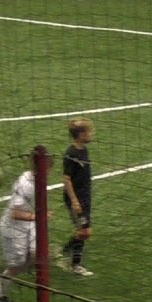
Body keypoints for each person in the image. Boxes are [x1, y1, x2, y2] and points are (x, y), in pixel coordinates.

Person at [0, 156, 36, 302]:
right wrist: (37, 216)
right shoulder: (26, 185)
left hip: (27, 225)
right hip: (13, 229)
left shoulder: (29, 176)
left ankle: (27, 266)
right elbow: (15, 214)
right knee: (16, 266)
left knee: (36, 253)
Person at [59, 117, 95, 277]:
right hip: (77, 198)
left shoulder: (83, 150)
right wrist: (74, 201)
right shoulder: (71, 153)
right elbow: (66, 179)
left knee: (84, 231)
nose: (92, 134)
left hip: (85, 197)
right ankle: (75, 264)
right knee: (84, 231)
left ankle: (63, 251)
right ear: (81, 135)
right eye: (89, 131)